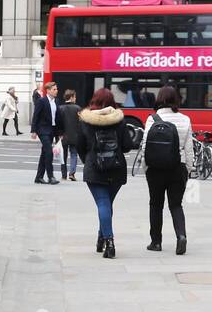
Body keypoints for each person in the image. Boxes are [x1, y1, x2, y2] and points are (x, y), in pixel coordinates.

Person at [69, 87, 132, 258]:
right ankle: (102, 238)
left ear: (94, 101)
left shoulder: (85, 120)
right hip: (117, 169)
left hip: (95, 169)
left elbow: (80, 146)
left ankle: (109, 242)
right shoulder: (119, 120)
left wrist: (88, 160)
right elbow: (127, 146)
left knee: (103, 204)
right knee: (107, 204)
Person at [141, 85, 194, 254]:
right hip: (177, 167)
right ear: (176, 99)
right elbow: (189, 148)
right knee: (176, 205)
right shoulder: (185, 119)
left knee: (155, 205)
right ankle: (181, 236)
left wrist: (146, 167)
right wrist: (188, 169)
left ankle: (156, 242)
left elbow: (144, 146)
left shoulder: (152, 119)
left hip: (155, 168)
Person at [31, 81, 61, 185]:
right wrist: (33, 130)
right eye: (54, 89)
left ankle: (38, 177)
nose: (56, 91)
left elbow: (57, 118)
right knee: (49, 151)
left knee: (44, 154)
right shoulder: (41, 101)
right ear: (48, 91)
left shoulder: (56, 101)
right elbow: (36, 116)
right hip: (42, 130)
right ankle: (50, 176)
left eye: (56, 89)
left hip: (52, 130)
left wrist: (59, 132)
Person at [58, 90, 81, 181]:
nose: (75, 99)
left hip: (63, 136)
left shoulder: (60, 108)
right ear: (71, 97)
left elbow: (58, 123)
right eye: (74, 97)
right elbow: (80, 123)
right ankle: (72, 173)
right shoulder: (78, 108)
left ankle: (64, 175)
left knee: (63, 156)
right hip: (75, 136)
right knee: (74, 154)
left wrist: (59, 134)